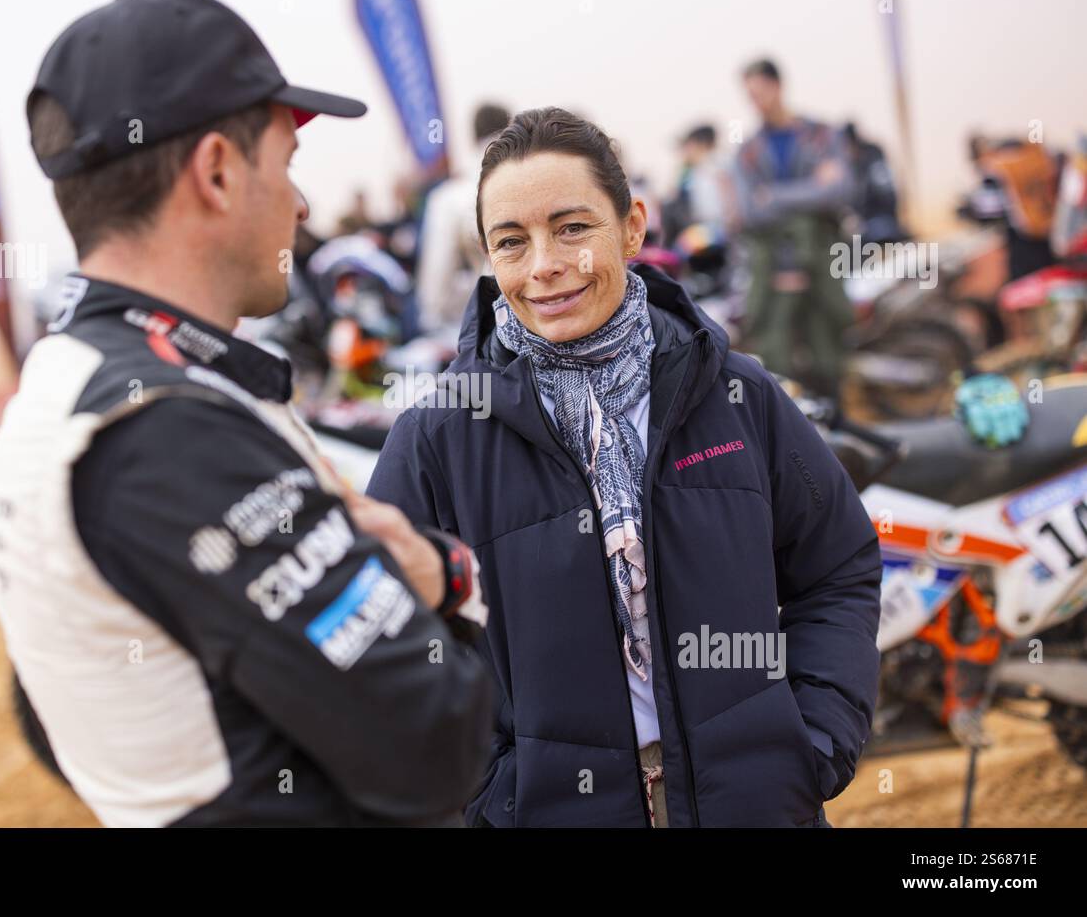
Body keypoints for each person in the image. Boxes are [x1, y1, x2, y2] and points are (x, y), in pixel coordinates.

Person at [0, 0, 493, 827]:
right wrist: (448, 578)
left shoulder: (65, 378)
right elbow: (434, 740)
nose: (300, 204)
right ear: (218, 171)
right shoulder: (165, 424)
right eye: (286, 162)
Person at [367, 107, 882, 827]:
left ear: (633, 225)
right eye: (511, 242)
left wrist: (811, 743)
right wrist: (493, 797)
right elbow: (387, 643)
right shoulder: (439, 437)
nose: (544, 264)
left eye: (572, 227)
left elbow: (837, 569)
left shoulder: (739, 396)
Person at [732, 58, 853, 401]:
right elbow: (750, 211)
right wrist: (811, 189)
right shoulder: (750, 151)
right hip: (773, 267)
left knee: (829, 345)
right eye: (750, 95)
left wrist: (776, 195)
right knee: (777, 352)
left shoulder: (821, 135)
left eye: (760, 92)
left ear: (778, 86)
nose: (756, 101)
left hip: (822, 259)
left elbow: (839, 190)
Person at [414, 103, 510, 337]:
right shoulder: (536, 177)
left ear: (473, 135)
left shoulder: (449, 197)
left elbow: (438, 274)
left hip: (491, 323)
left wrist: (433, 318)